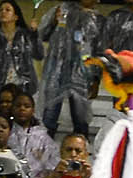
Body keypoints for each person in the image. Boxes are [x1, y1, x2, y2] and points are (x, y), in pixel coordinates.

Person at [35, 0, 102, 138]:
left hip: (82, 75)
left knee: (80, 119)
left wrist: (96, 79)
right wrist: (53, 21)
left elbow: (100, 51)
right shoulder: (61, 10)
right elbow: (43, 34)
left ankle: (79, 152)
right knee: (49, 117)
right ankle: (44, 151)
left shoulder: (98, 20)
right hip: (56, 72)